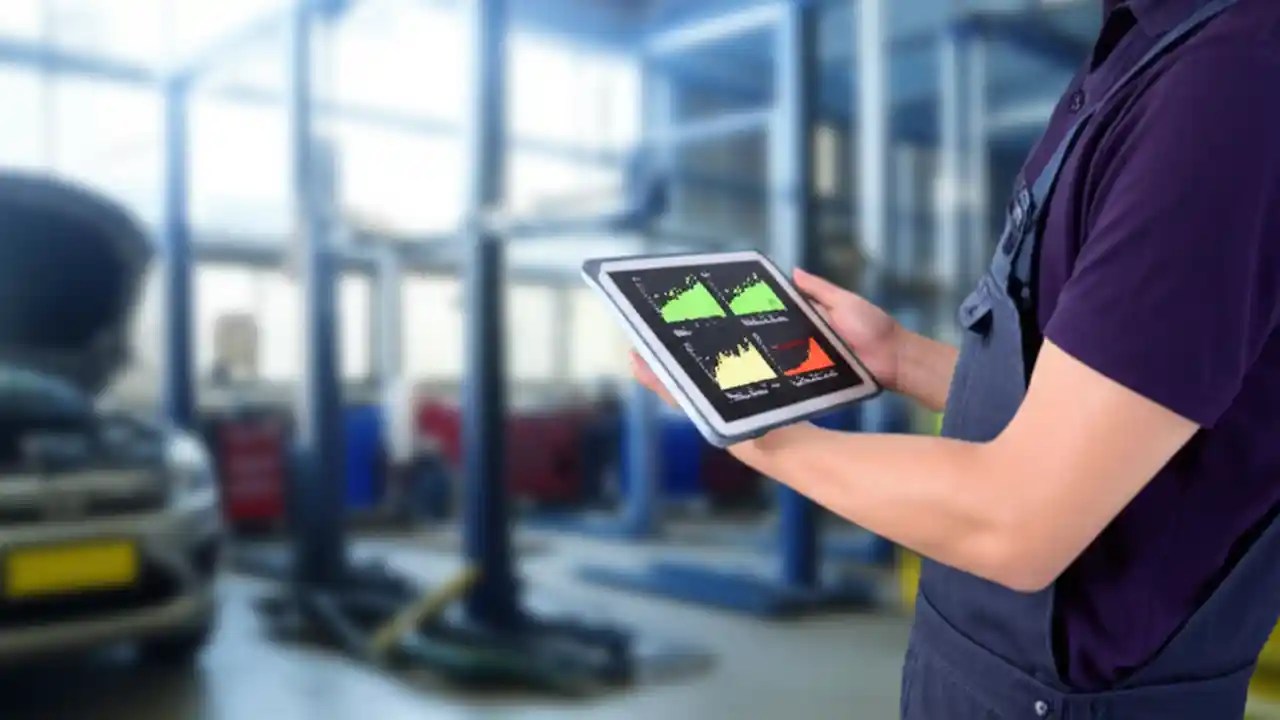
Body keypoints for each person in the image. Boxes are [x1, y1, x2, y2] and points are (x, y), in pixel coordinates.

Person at [631, 1, 1280, 717]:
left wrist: (753, 425)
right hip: (984, 666)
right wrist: (901, 359)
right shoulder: (1145, 50)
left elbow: (1018, 520)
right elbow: (1103, 412)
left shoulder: (1231, 82)